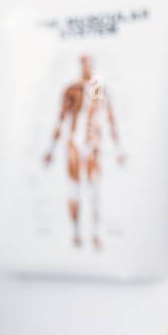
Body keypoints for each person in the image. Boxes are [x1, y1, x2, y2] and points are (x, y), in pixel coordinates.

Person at [42, 53, 126, 250]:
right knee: (74, 188)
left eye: (90, 63)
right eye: (85, 63)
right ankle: (76, 233)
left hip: (92, 143)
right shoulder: (72, 89)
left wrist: (117, 149)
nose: (88, 67)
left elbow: (108, 116)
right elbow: (61, 119)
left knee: (94, 187)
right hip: (74, 142)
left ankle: (95, 233)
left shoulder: (96, 87)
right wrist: (51, 149)